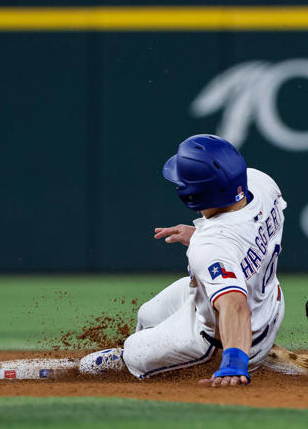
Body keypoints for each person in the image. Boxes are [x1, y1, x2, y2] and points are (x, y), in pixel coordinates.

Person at [79, 134, 287, 385]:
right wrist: (203, 233)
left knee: (134, 351)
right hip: (268, 302)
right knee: (148, 315)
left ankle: (238, 359)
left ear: (192, 195)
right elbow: (244, 233)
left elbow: (234, 305)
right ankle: (256, 351)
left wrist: (234, 363)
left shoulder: (211, 245)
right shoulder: (260, 183)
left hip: (229, 337)